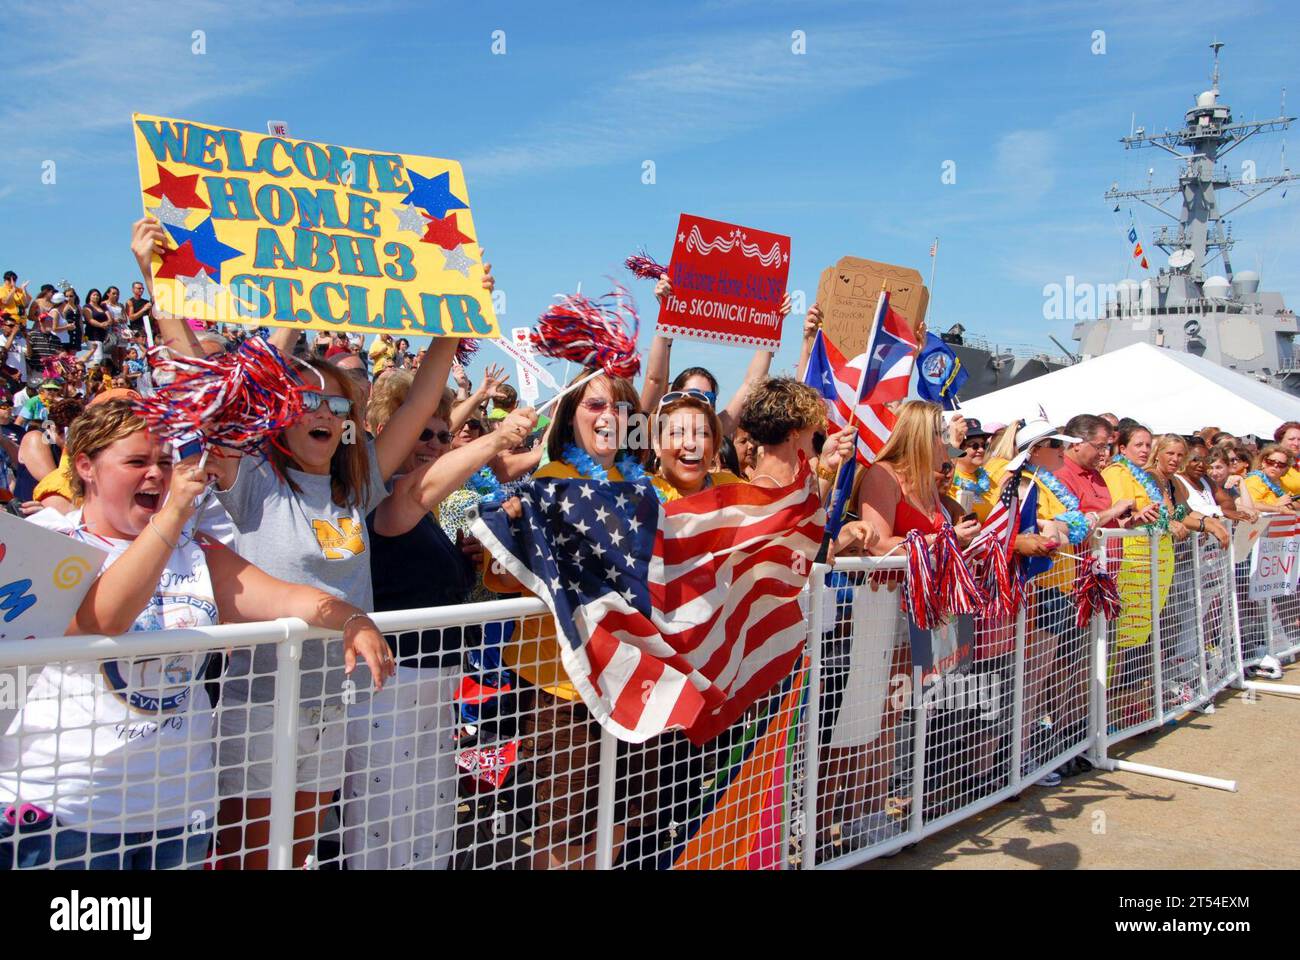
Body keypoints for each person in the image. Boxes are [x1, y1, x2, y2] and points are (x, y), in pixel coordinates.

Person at [129, 214, 467, 868]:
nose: (321, 413)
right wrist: (157, 278)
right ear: (279, 416)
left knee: (295, 854)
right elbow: (210, 394)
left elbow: (423, 403)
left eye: (337, 406)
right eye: (304, 400)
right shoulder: (253, 479)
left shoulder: (356, 484)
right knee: (250, 859)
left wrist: (451, 325)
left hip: (333, 706)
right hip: (258, 703)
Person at [0, 399, 391, 870]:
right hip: (66, 815)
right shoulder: (52, 542)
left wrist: (353, 620)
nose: (156, 475)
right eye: (137, 462)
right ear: (85, 466)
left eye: (164, 462)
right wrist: (173, 516)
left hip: (176, 813)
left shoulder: (194, 552)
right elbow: (103, 619)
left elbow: (289, 598)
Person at [346, 371, 537, 870]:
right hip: (390, 685)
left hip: (435, 682)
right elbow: (415, 496)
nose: (432, 443)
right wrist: (497, 437)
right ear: (387, 431)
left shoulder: (422, 507)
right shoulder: (379, 492)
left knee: (428, 815)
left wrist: (459, 557)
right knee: (383, 819)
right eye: (420, 432)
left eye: (439, 433)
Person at [1102, 423, 1185, 728]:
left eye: (1148, 445)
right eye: (1138, 444)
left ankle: (1123, 711)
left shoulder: (1144, 476)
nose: (1145, 450)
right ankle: (1103, 716)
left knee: (1132, 643)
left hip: (1149, 566)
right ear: (1121, 448)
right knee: (1116, 642)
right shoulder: (1117, 472)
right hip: (1128, 565)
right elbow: (1121, 514)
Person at [639, 274, 790, 434]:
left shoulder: (714, 434)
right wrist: (666, 314)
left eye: (708, 398)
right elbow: (655, 380)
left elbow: (752, 384)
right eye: (693, 396)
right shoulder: (656, 429)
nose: (701, 404)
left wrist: (772, 324)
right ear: (673, 397)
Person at [948, 418, 998, 521]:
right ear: (959, 449)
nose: (981, 450)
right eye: (974, 446)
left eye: (984, 445)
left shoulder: (988, 480)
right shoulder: (949, 479)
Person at [1243, 444, 1297, 514]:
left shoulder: (1280, 483)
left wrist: (1290, 504)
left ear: (1286, 469)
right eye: (1271, 462)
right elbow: (1250, 505)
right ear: (1263, 462)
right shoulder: (1254, 480)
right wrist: (1276, 505)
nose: (1275, 466)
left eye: (1281, 464)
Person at [1273, 421, 1300, 495]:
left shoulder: (1297, 464)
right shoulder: (1271, 463)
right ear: (1280, 441)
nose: (1296, 443)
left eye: (1299, 439)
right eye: (1291, 439)